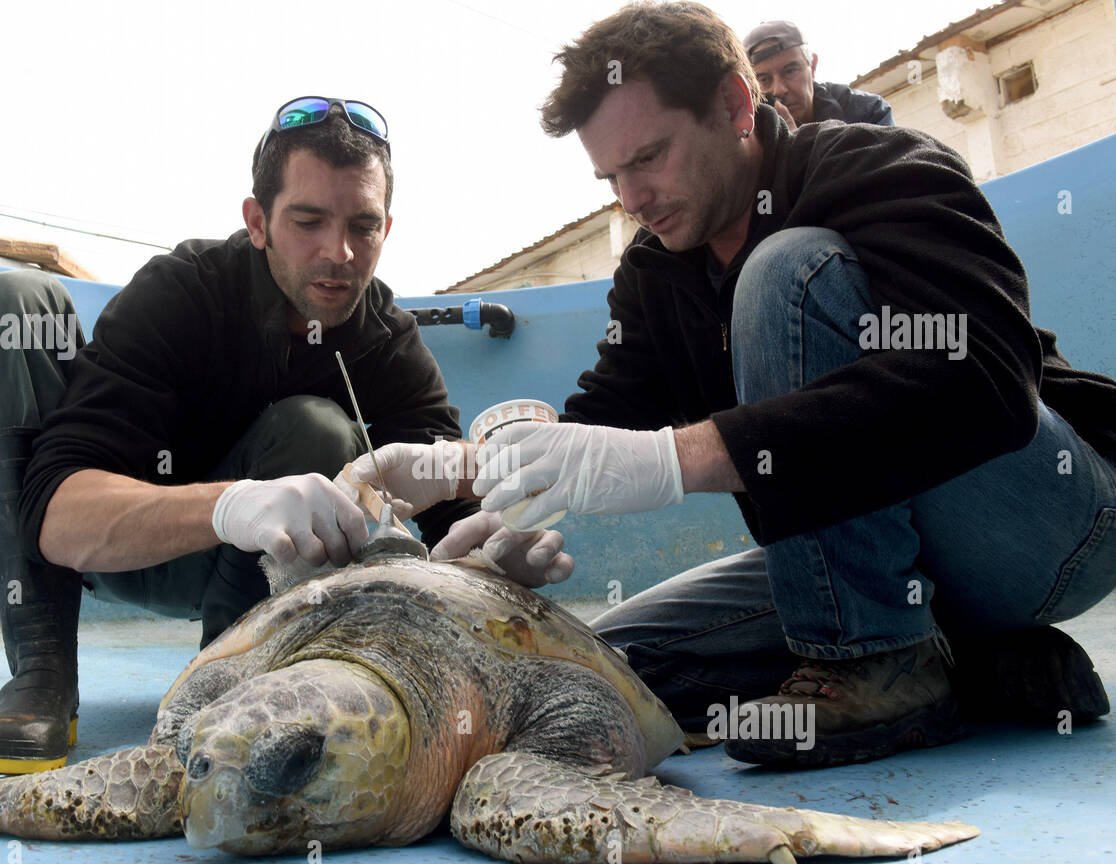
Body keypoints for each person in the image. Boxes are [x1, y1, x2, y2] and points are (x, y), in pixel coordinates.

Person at [359, 1, 1116, 768]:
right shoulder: (657, 275)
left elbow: (986, 383)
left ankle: (873, 660)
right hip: (889, 567)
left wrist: (674, 460)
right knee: (604, 665)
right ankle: (969, 662)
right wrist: (466, 479)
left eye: (649, 157)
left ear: (733, 104)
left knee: (785, 271)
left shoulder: (877, 168)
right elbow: (595, 426)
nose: (632, 199)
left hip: (1051, 526)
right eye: (611, 175)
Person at [0, 96, 565, 775]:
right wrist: (232, 503)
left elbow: (458, 525)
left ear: (387, 228)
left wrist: (496, 560)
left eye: (363, 226)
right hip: (118, 543)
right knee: (12, 302)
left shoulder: (389, 344)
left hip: (260, 572)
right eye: (308, 221)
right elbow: (55, 519)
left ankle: (230, 686)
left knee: (314, 426)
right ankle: (41, 675)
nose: (338, 253)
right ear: (257, 221)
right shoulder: (180, 295)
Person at [743, 19, 893, 129]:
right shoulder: (749, 136)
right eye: (764, 79)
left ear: (812, 65)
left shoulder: (867, 111)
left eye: (790, 71)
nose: (778, 90)